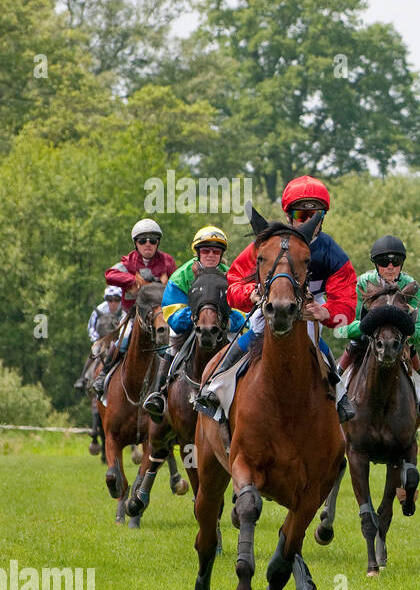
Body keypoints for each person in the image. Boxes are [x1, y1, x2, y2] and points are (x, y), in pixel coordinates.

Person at [195, 175, 357, 422]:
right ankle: (215, 385)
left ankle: (340, 393)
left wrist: (327, 312)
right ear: (289, 215)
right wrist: (250, 294)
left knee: (317, 345)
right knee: (254, 333)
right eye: (303, 215)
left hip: (307, 311)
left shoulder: (331, 252)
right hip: (268, 306)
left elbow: (346, 297)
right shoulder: (266, 245)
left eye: (316, 215)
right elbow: (235, 281)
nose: (309, 222)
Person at [142, 226, 247, 421]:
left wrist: (227, 321)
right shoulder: (181, 276)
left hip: (221, 328)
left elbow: (242, 309)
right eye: (205, 250)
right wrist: (196, 317)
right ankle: (159, 394)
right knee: (172, 341)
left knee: (242, 342)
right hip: (190, 326)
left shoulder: (232, 275)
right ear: (197, 252)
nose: (210, 255)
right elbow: (171, 310)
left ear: (221, 253)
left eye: (216, 251)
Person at [334, 234, 420, 420]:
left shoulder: (410, 285)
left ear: (401, 264)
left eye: (395, 261)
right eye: (384, 262)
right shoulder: (362, 283)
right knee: (355, 344)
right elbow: (342, 328)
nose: (390, 267)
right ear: (376, 264)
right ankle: (336, 388)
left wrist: (406, 332)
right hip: (366, 340)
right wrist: (369, 325)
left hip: (399, 342)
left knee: (409, 348)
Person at [91, 219, 178, 395]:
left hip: (160, 315)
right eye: (143, 240)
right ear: (136, 244)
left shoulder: (167, 262)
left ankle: (173, 382)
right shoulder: (128, 262)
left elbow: (176, 283)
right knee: (123, 340)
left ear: (157, 243)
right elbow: (109, 275)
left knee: (172, 344)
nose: (148, 244)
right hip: (134, 314)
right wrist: (132, 280)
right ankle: (104, 374)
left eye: (153, 240)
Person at [74, 285, 123, 390]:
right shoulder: (100, 309)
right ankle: (83, 378)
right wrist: (95, 339)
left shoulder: (124, 309)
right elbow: (91, 326)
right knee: (95, 350)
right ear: (106, 300)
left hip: (119, 337)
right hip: (102, 337)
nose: (113, 303)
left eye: (116, 300)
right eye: (110, 300)